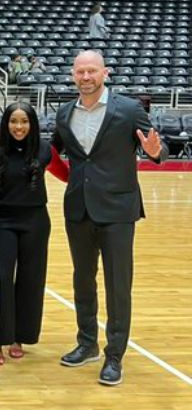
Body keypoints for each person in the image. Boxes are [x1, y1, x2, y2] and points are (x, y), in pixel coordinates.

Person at [53, 50, 167, 385]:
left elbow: (157, 147)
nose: (86, 77)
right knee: (82, 279)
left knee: (118, 284)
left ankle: (114, 355)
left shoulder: (129, 110)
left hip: (118, 210)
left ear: (105, 73)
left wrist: (156, 152)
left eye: (92, 71)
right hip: (79, 208)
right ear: (73, 75)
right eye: (80, 72)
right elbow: (53, 152)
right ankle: (87, 343)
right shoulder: (64, 112)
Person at [0, 102, 68, 364]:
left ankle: (20, 336)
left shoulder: (45, 150)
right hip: (4, 221)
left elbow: (68, 176)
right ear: (6, 124)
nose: (19, 127)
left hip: (36, 221)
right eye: (14, 121)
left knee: (31, 280)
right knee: (0, 278)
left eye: (24, 121)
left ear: (32, 124)